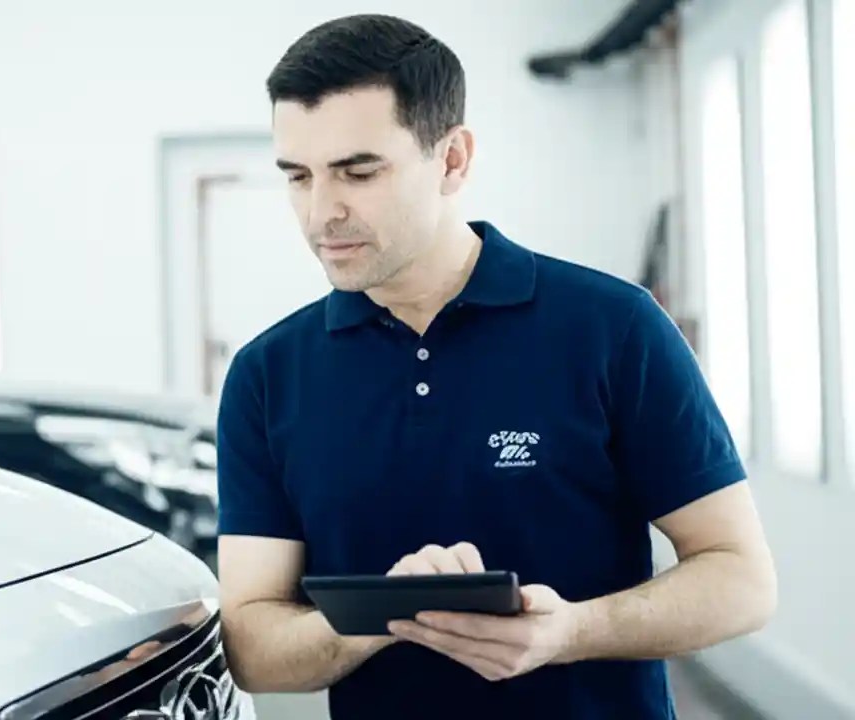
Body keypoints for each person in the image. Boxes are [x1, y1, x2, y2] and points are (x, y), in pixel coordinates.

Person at [215, 13, 776, 719]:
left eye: (358, 172)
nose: (322, 211)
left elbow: (742, 579)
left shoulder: (612, 327)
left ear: (452, 160)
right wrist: (380, 613)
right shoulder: (266, 375)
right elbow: (250, 643)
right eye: (297, 176)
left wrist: (570, 631)